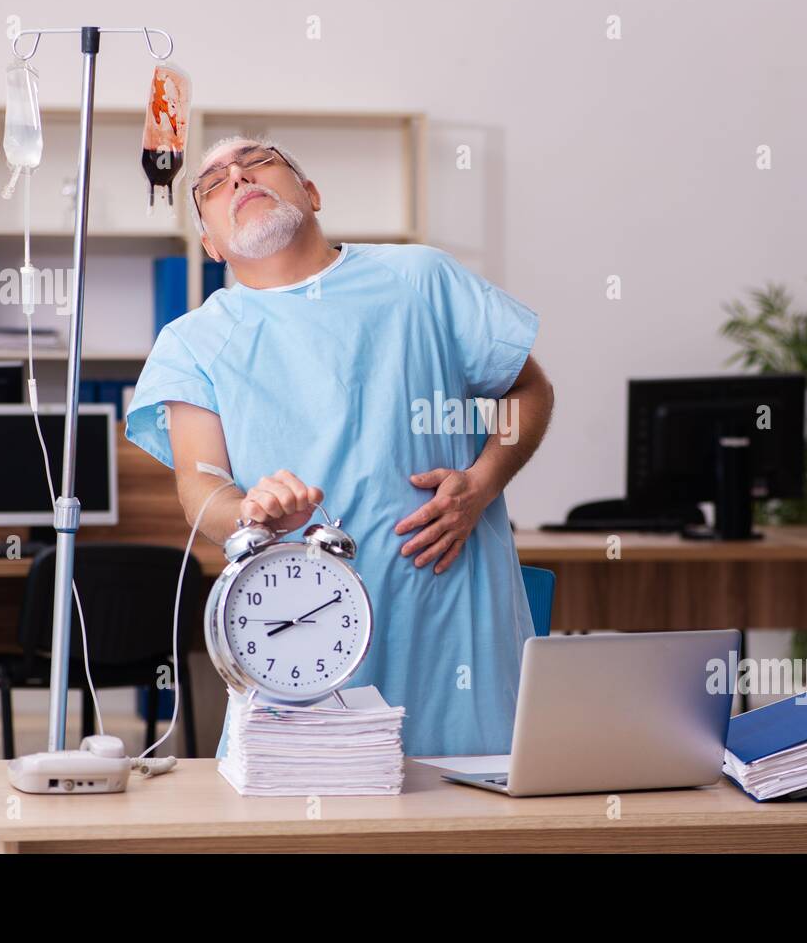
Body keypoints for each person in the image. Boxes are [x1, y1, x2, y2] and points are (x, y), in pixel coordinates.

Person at [124, 136, 555, 756]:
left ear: (312, 193)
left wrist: (484, 482)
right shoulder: (193, 341)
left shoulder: (421, 279)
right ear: (211, 245)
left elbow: (528, 391)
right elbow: (202, 487)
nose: (237, 177)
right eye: (211, 184)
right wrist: (247, 511)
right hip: (298, 628)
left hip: (449, 615)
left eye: (258, 161)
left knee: (470, 815)